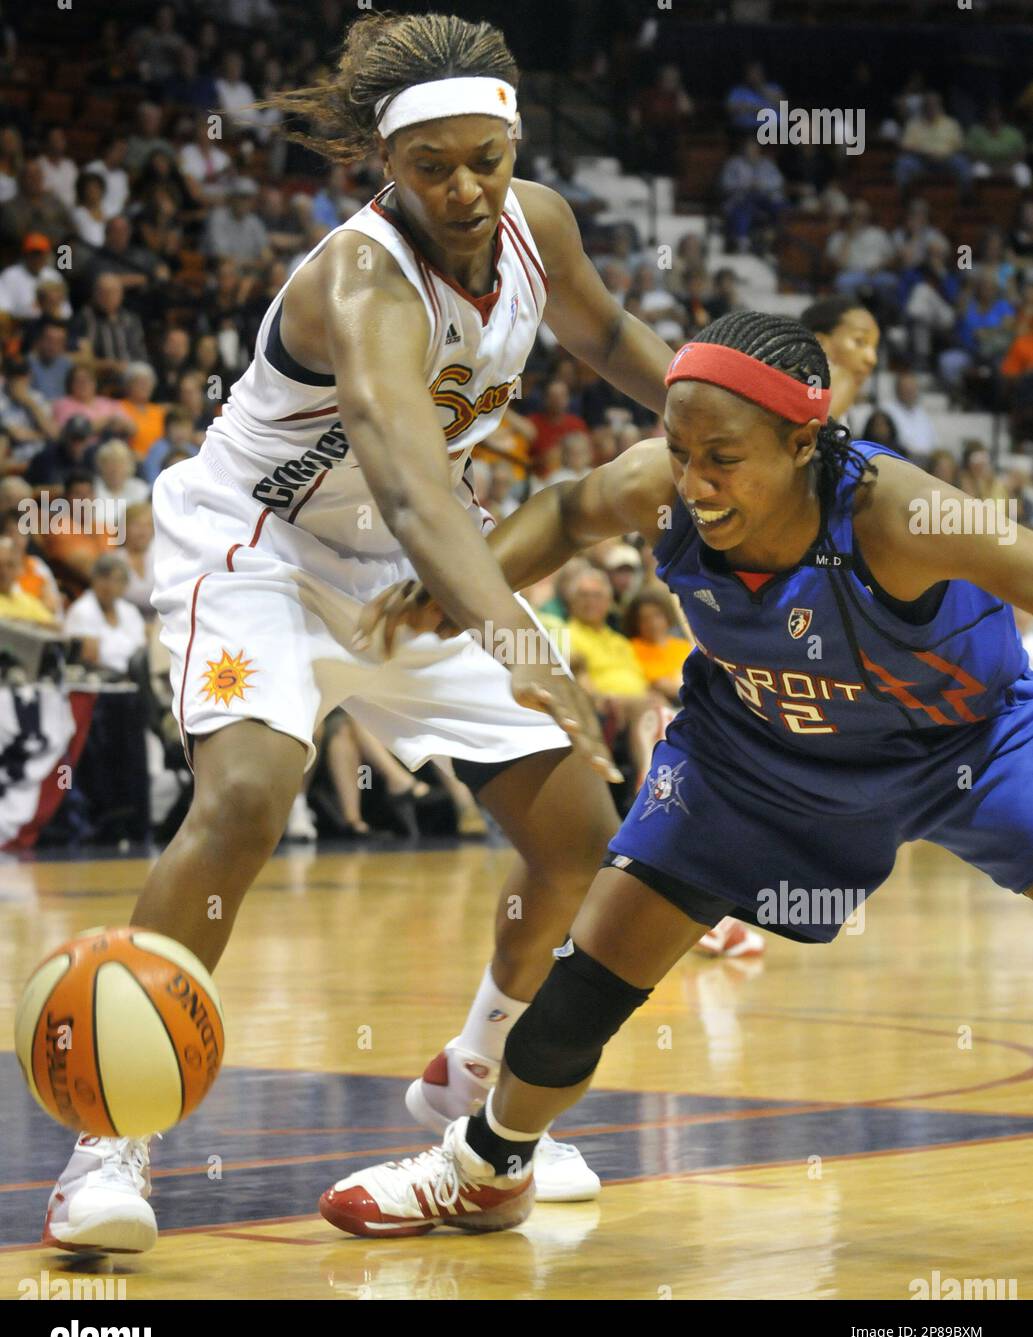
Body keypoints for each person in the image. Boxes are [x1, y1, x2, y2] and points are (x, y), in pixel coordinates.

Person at [41, 10, 682, 1255]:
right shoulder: (360, 280)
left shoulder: (536, 226)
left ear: (513, 146)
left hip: (400, 560)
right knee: (246, 794)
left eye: (481, 160)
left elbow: (604, 338)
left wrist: (737, 403)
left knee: (578, 834)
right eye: (428, 164)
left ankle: (477, 1082)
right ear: (384, 165)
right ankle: (107, 1140)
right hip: (257, 546)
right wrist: (523, 640)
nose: (461, 187)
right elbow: (407, 483)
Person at [324, 307, 1033, 1236]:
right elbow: (571, 509)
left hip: (964, 749)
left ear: (801, 440)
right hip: (748, 756)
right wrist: (464, 594)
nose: (693, 481)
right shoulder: (667, 485)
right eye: (678, 447)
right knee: (588, 981)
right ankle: (486, 1169)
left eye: (723, 458)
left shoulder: (897, 515)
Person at [64, 553, 146, 674]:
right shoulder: (82, 610)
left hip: (135, 677)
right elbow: (89, 659)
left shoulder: (130, 611)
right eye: (105, 578)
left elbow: (142, 651)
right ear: (94, 579)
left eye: (117, 581)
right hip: (99, 681)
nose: (110, 586)